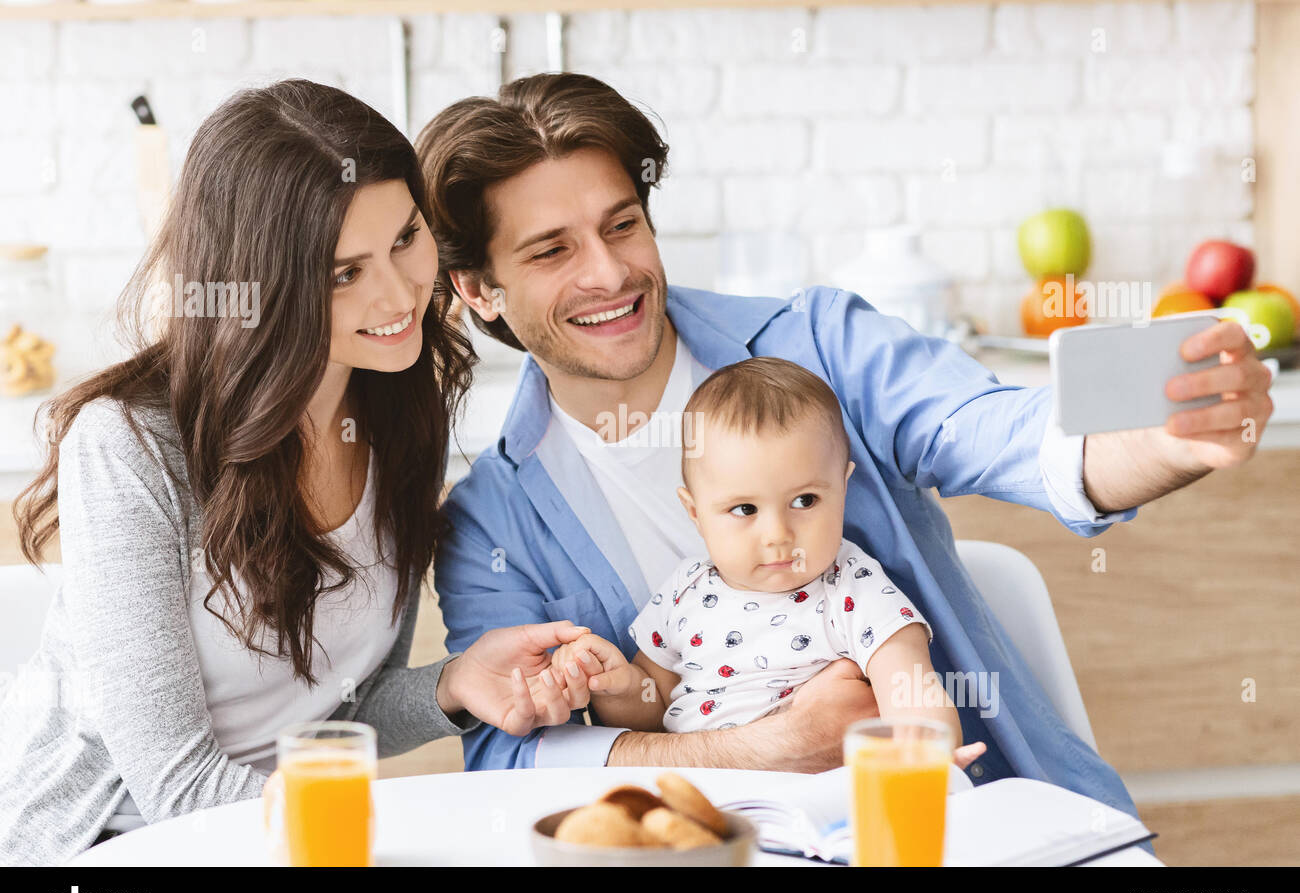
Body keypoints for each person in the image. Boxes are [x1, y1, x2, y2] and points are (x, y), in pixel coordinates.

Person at [417, 74, 1274, 838]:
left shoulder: (818, 345)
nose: (610, 273)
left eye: (622, 225)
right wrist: (763, 749)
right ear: (478, 289)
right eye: (552, 250)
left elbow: (1002, 432)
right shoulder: (492, 519)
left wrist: (1161, 440)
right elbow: (513, 759)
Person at [0, 80, 581, 867]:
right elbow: (175, 783)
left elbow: (340, 723)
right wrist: (379, 841)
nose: (398, 293)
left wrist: (453, 686)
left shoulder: (400, 415)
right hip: (113, 853)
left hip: (288, 838)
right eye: (343, 274)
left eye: (406, 238)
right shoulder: (131, 447)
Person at [550, 357, 978, 765]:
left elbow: (908, 685)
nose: (777, 535)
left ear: (842, 489)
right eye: (745, 510)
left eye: (804, 500)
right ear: (695, 512)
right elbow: (652, 708)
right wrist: (619, 687)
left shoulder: (851, 585)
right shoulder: (685, 590)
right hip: (702, 793)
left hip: (819, 798)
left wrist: (926, 752)